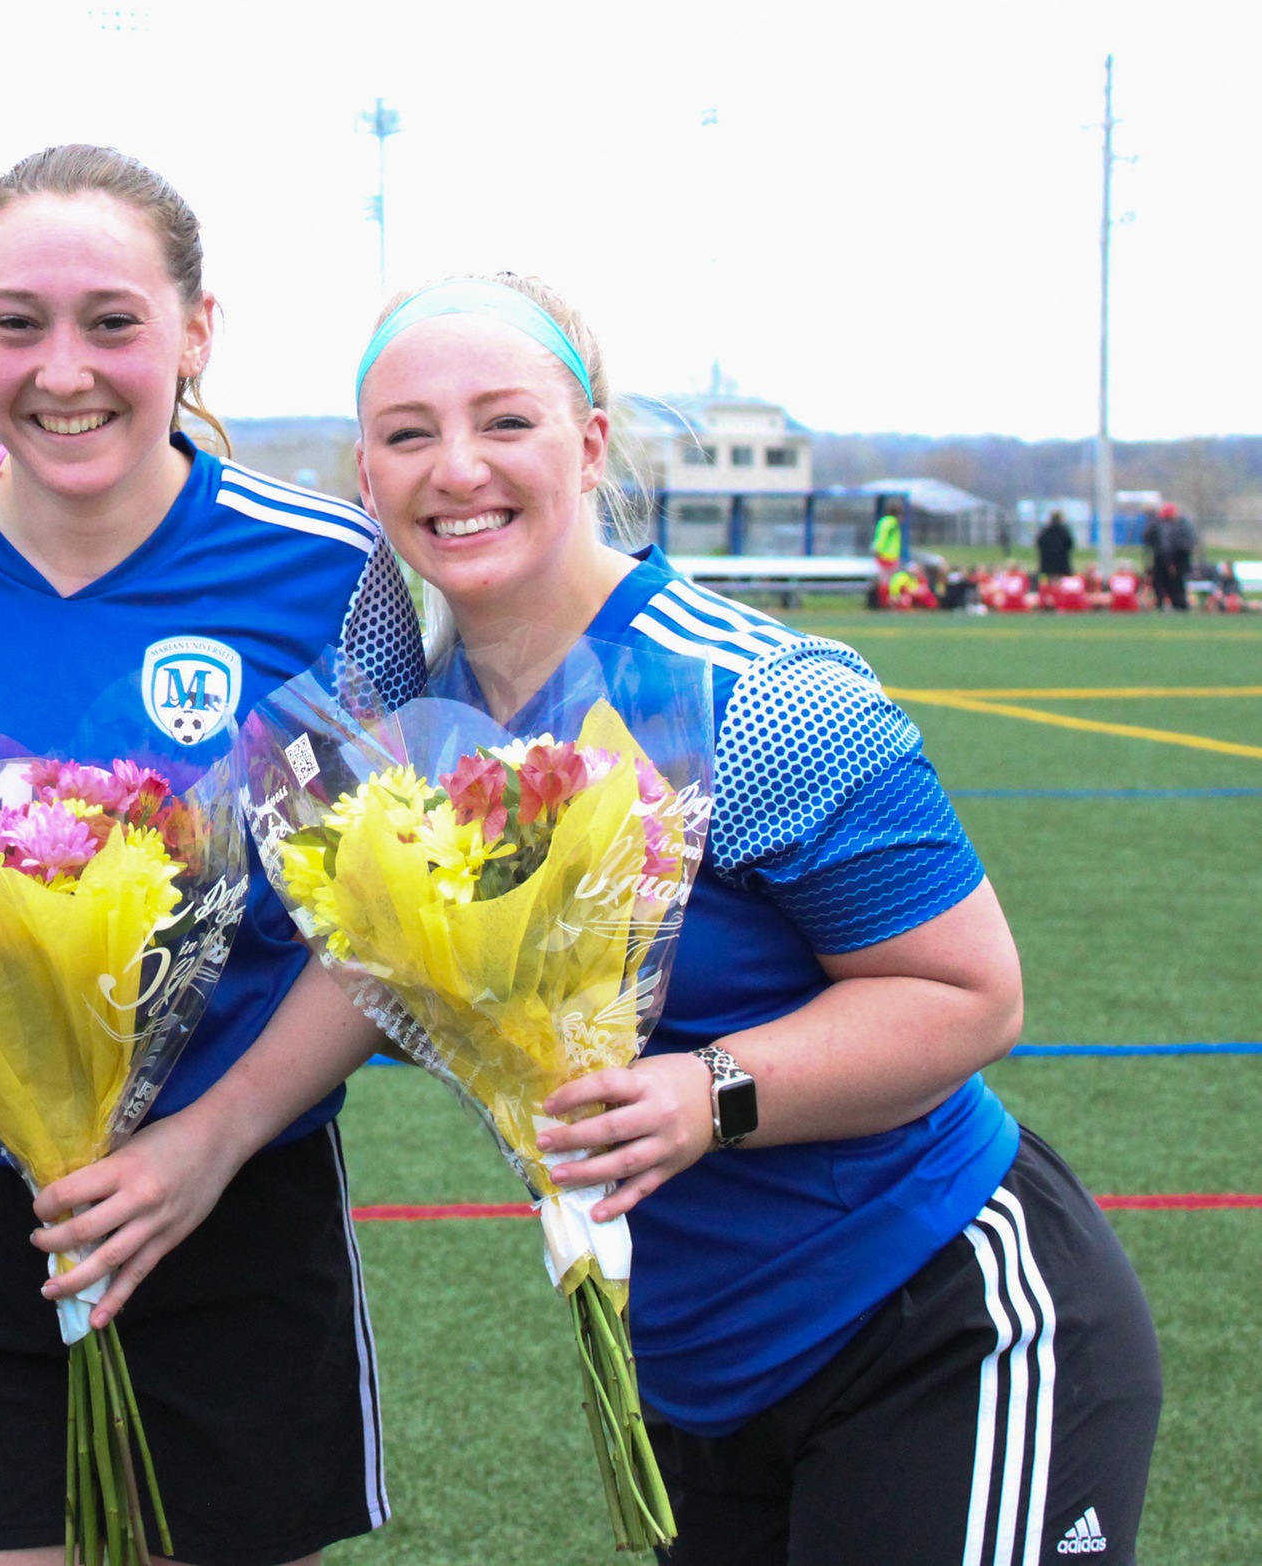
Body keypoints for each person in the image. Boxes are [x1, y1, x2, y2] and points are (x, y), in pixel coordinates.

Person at [337, 273, 1161, 1565]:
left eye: (504, 421)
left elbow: (967, 995)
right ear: (364, 471)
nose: (455, 467)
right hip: (694, 1364)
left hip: (937, 1315)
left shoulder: (755, 692)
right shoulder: (403, 739)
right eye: (404, 432)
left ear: (590, 441)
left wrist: (703, 1092)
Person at [0, 144, 424, 1565]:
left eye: (111, 320)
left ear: (196, 330)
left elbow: (386, 923)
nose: (60, 368)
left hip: (228, 1191)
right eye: (15, 322)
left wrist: (210, 1136)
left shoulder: (324, 568)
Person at [1147, 502, 1194, 611]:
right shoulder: (1160, 525)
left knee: (1175, 583)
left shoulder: (1180, 525)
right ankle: (1165, 603)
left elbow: (1185, 543)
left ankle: (1178, 604)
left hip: (1177, 559)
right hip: (1164, 559)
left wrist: (1173, 560)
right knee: (1162, 583)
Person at [1036, 509, 1075, 582]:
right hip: (1062, 563)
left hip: (1047, 563)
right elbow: (1070, 544)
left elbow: (1039, 543)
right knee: (1062, 583)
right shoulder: (1064, 531)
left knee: (1049, 581)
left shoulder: (1045, 531)